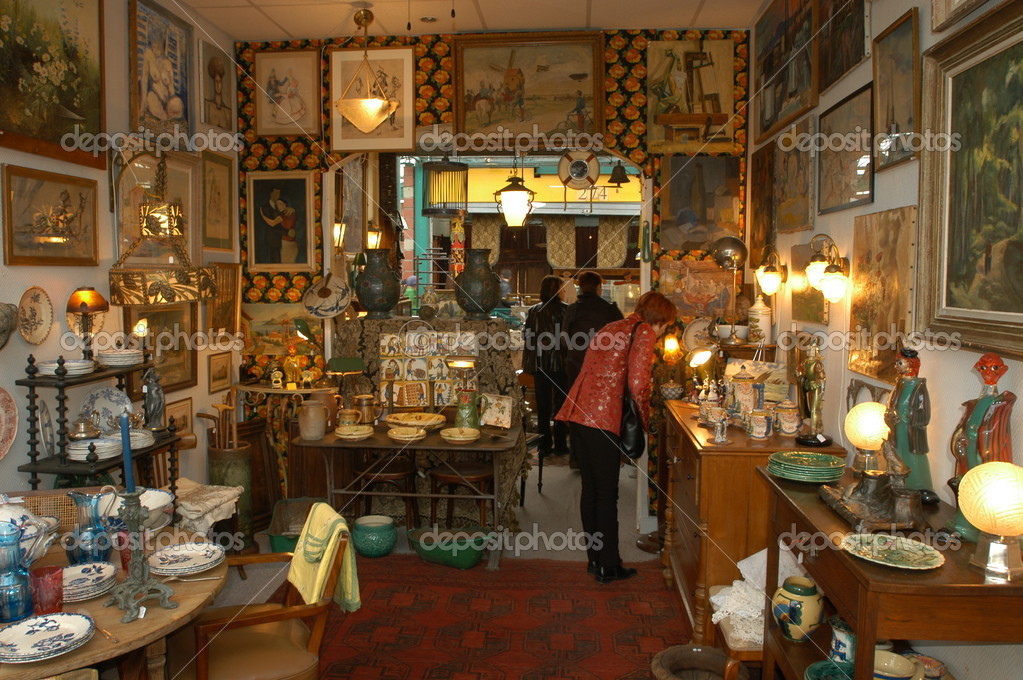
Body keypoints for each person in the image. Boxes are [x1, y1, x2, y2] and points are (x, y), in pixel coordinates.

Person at [556, 291, 676, 584]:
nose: (663, 332)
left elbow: (589, 370)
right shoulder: (644, 332)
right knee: (608, 494)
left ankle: (595, 560)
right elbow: (638, 383)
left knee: (591, 491)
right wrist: (645, 421)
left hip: (577, 413)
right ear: (659, 320)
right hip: (602, 419)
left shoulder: (613, 326)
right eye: (667, 326)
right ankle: (610, 565)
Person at [562, 271, 623, 468]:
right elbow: (622, 339)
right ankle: (602, 458)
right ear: (599, 288)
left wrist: (574, 352)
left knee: (577, 414)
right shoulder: (610, 310)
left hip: (576, 368)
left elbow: (563, 338)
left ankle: (578, 459)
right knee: (602, 412)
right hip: (604, 370)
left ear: (580, 288)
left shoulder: (573, 309)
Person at [523, 275, 570, 458]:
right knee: (561, 405)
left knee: (543, 407)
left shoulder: (533, 311)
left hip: (541, 364)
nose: (565, 292)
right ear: (557, 291)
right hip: (562, 364)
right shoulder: (567, 310)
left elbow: (526, 336)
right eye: (563, 288)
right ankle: (560, 444)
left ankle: (544, 445)